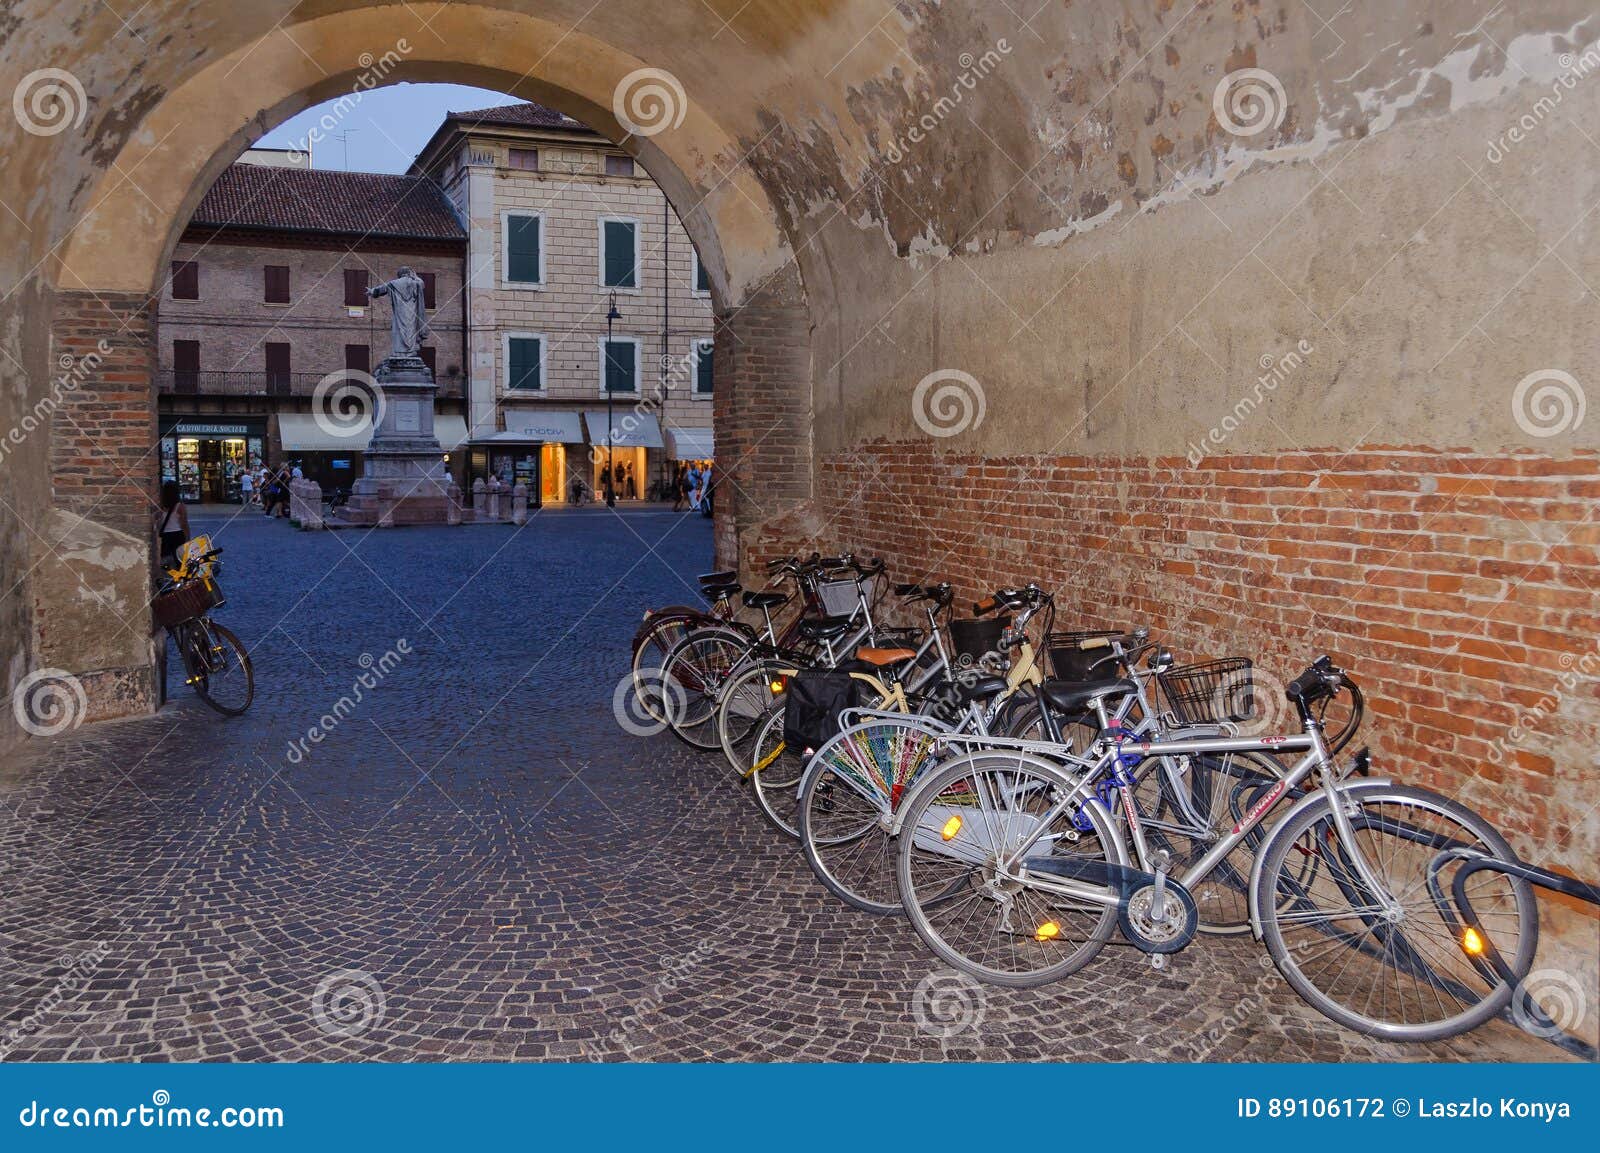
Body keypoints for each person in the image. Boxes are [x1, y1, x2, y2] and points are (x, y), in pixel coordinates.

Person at [154, 480, 189, 570]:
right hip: (178, 535)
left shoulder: (161, 505)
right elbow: (184, 524)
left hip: (165, 536)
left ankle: (166, 577)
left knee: (165, 560)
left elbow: (157, 521)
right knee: (180, 560)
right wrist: (188, 537)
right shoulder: (179, 506)